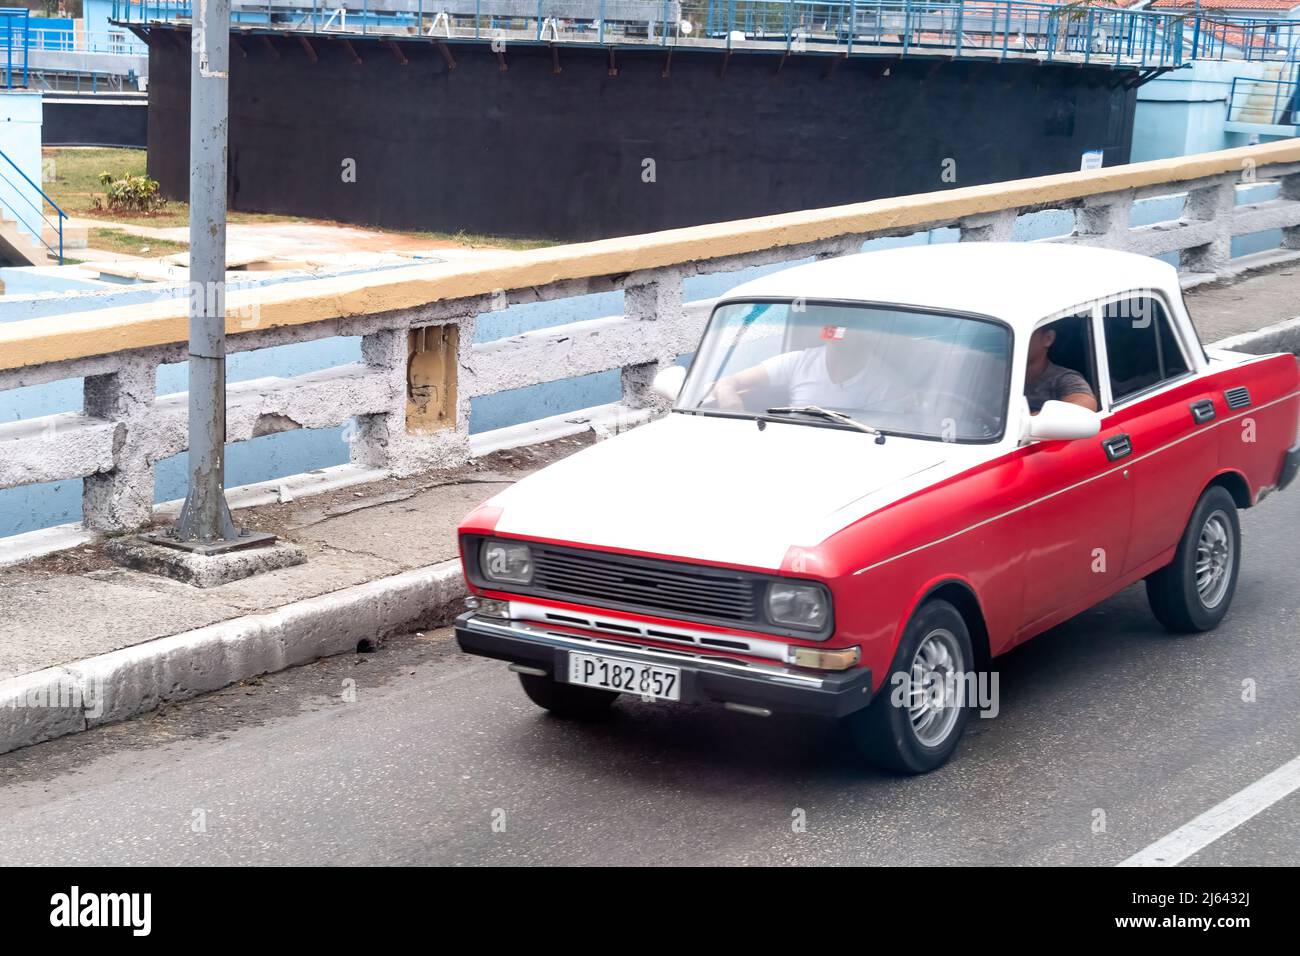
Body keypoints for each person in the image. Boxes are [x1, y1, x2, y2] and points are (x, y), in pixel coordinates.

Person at [712, 325, 891, 412]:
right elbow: (729, 381)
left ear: (865, 335)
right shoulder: (799, 361)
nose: (838, 333)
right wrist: (729, 398)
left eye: (846, 328)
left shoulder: (886, 384)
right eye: (834, 328)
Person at [1025, 326, 1097, 414]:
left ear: (1048, 338)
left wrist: (1032, 420)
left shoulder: (1065, 379)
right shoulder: (1004, 375)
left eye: (1025, 333)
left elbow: (1085, 406)